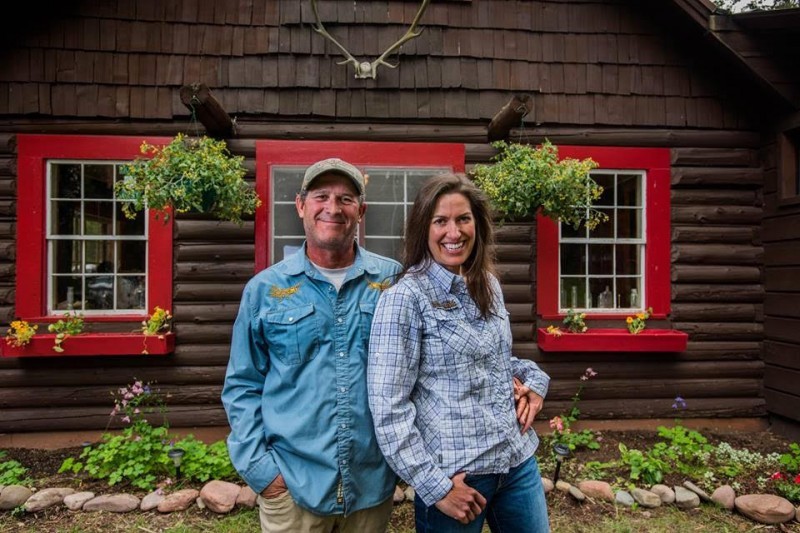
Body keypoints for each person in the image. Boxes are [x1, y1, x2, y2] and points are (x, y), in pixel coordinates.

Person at [222, 158, 401, 533]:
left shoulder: (392, 282)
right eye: (321, 196)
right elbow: (242, 385)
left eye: (346, 198)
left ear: (361, 211)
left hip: (371, 487)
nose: (333, 208)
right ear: (301, 205)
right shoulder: (264, 290)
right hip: (292, 488)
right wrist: (264, 474)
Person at [367, 173, 551, 533]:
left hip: (516, 461)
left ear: (477, 224)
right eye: (441, 221)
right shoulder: (405, 299)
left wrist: (535, 382)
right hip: (457, 477)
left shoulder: (488, 285)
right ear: (423, 228)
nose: (454, 232)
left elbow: (496, 361)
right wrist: (436, 488)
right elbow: (388, 407)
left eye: (463, 219)